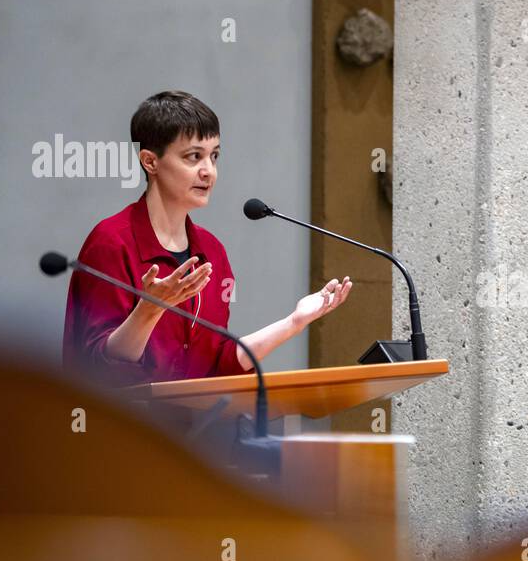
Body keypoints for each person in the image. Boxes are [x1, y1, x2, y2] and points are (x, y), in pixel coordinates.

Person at [63, 90, 351, 385]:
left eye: (214, 156)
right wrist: (149, 309)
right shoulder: (111, 242)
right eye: (194, 157)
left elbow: (217, 364)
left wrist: (294, 322)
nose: (209, 172)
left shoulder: (212, 251)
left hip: (193, 428)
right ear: (150, 162)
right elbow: (97, 365)